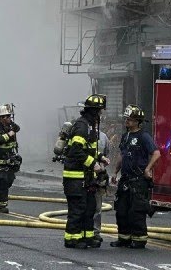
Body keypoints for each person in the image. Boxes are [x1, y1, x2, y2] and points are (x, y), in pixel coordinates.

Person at [62, 94, 108, 249]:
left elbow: (88, 149)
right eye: (100, 111)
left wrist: (100, 157)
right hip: (75, 178)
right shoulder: (82, 126)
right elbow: (75, 150)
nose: (101, 114)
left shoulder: (90, 126)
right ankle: (72, 239)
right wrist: (93, 163)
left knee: (89, 208)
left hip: (86, 177)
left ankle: (87, 237)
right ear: (94, 111)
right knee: (77, 210)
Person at [112, 105, 159, 249]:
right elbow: (121, 155)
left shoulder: (144, 137)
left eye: (130, 119)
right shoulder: (125, 136)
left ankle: (139, 240)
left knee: (136, 211)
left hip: (138, 181)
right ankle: (124, 238)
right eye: (126, 119)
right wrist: (115, 172)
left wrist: (148, 169)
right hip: (125, 180)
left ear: (138, 121)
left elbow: (156, 153)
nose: (127, 121)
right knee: (121, 210)